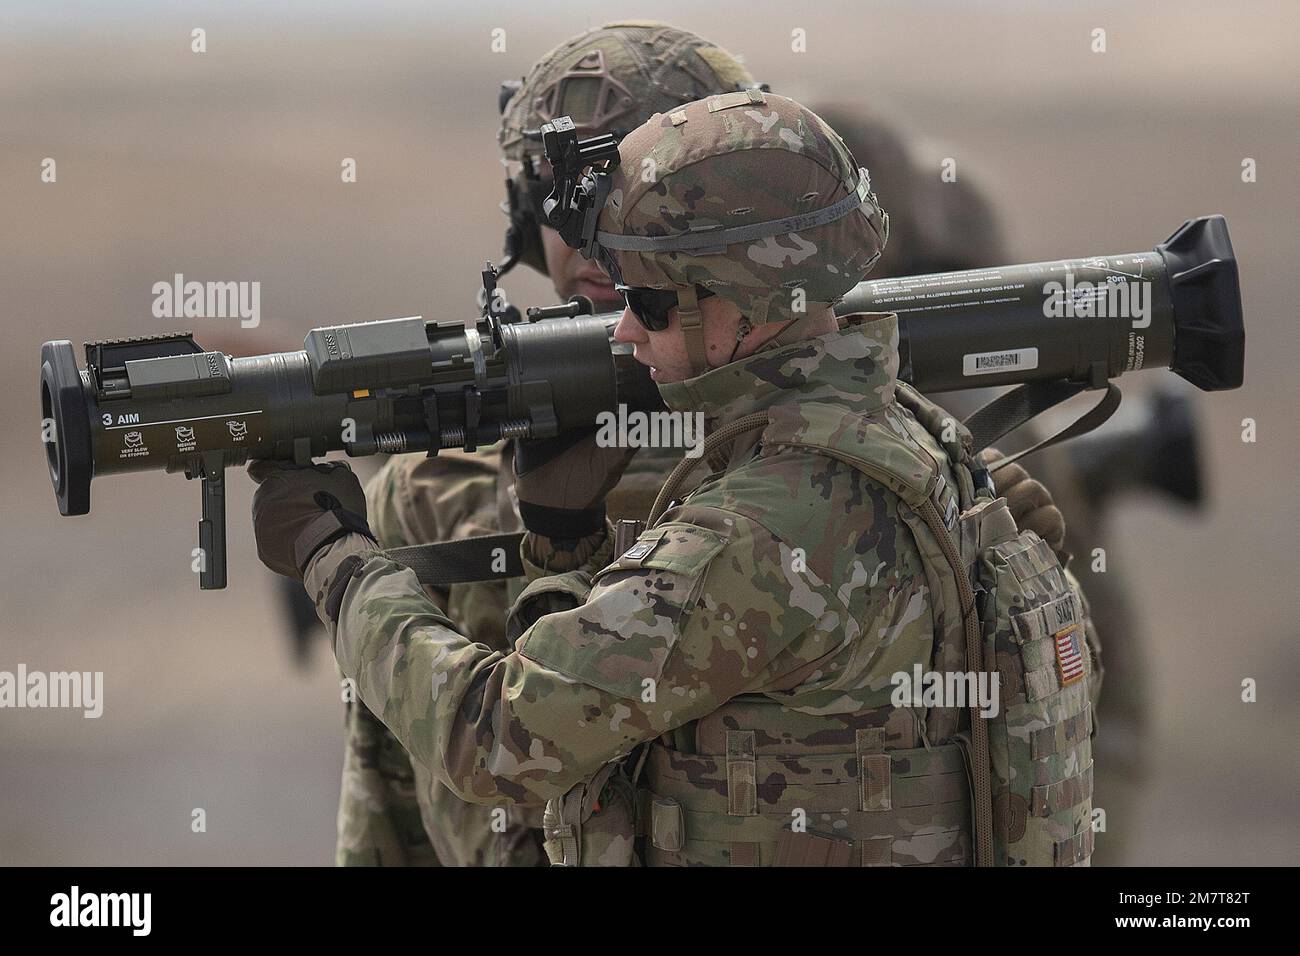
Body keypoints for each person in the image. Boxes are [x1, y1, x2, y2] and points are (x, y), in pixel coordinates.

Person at [251, 91, 1097, 866]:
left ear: (749, 305)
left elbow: (496, 738)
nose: (622, 330)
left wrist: (339, 558)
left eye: (650, 302)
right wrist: (564, 548)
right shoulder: (924, 438)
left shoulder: (762, 530)